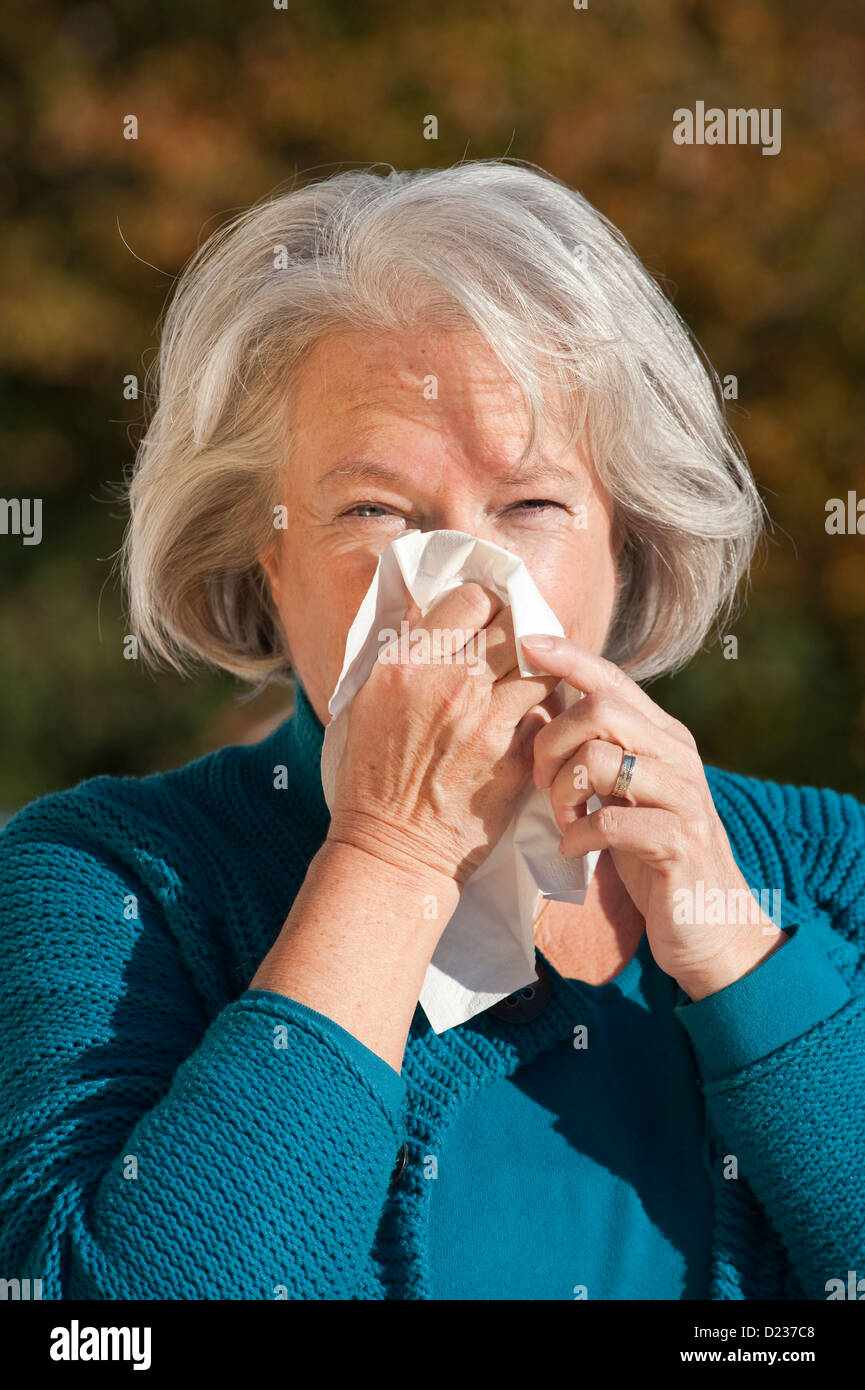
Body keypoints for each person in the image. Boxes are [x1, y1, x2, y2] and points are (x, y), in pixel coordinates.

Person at [1, 160, 862, 1301]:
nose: (466, 584)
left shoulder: (824, 868)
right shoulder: (106, 881)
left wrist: (738, 957)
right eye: (373, 511)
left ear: (628, 541)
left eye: (531, 505)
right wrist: (389, 858)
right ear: (270, 555)